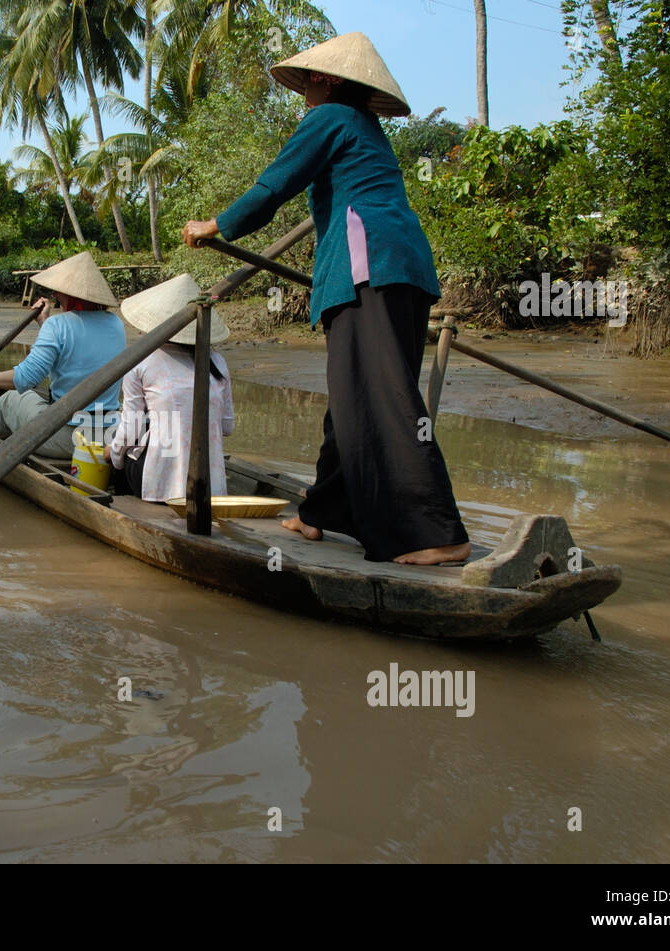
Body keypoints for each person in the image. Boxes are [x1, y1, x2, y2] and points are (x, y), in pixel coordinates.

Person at [182, 32, 470, 565]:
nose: (303, 93)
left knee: (384, 397)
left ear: (328, 80)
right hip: (401, 265)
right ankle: (322, 512)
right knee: (353, 396)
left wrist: (218, 225)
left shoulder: (330, 119)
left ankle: (438, 532)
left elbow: (275, 185)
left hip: (368, 267)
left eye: (309, 81)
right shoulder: (364, 128)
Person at [0, 251, 125, 459]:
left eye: (60, 292)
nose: (56, 295)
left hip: (68, 439)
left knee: (13, 398)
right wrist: (44, 322)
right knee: (38, 394)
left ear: (71, 295)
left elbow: (26, 378)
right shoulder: (115, 324)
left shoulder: (58, 325)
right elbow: (78, 345)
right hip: (108, 435)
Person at [108, 274, 235, 502]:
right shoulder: (217, 362)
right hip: (211, 486)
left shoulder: (140, 361)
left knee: (121, 458)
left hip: (161, 484)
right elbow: (227, 427)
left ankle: (126, 502)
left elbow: (131, 429)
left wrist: (113, 456)